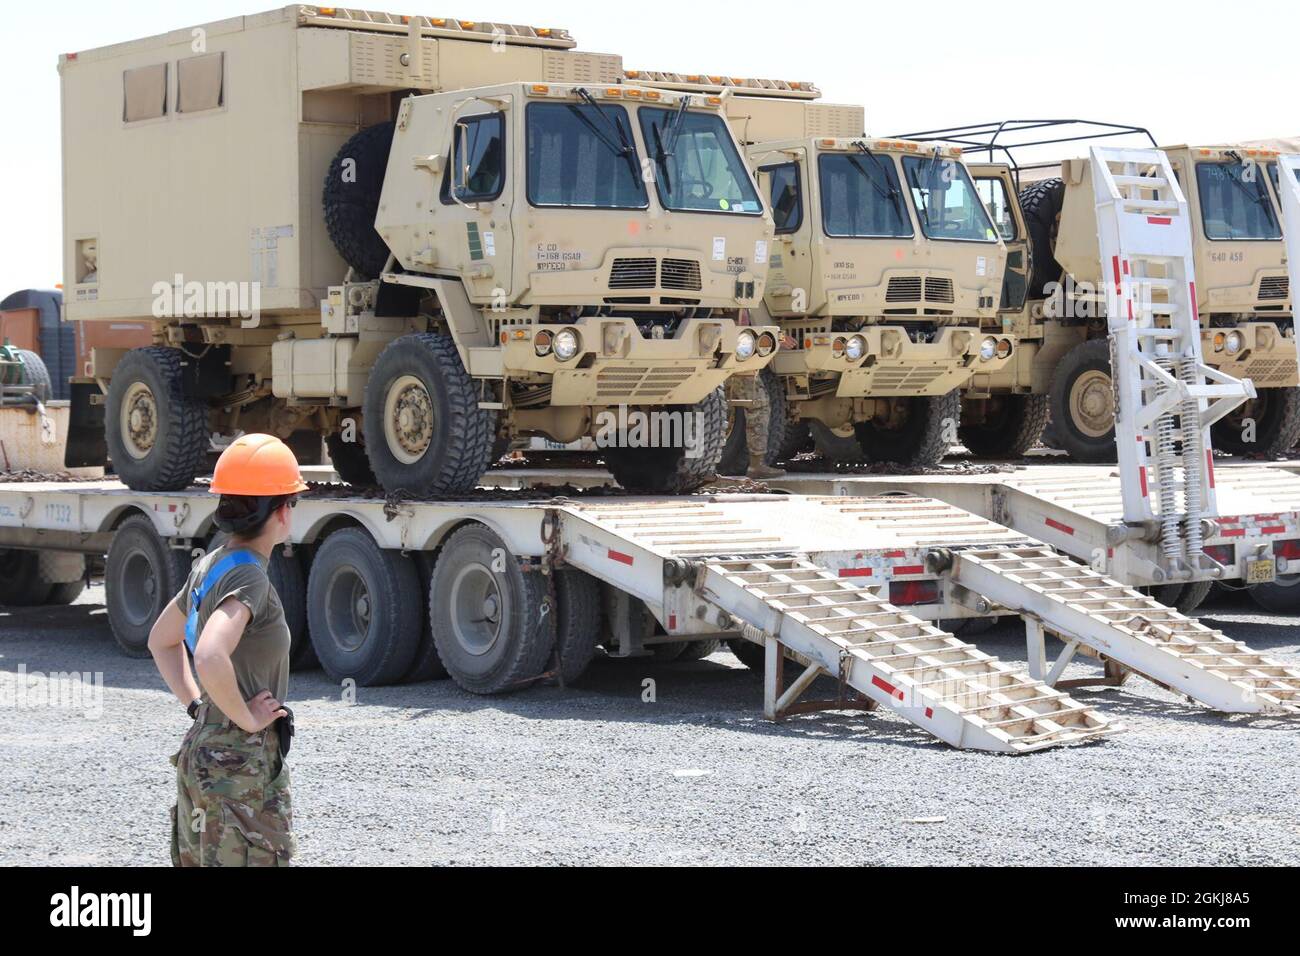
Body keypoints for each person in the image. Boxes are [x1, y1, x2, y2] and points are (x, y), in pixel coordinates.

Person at [147, 433, 308, 867]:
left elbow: (161, 640)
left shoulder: (212, 563)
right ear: (280, 511)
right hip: (237, 762)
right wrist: (247, 717)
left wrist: (199, 706)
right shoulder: (249, 577)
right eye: (292, 501)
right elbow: (209, 654)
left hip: (205, 749)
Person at [736, 371, 786, 479]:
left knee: (697, 405)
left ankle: (696, 463)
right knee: (758, 405)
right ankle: (756, 465)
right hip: (739, 366)